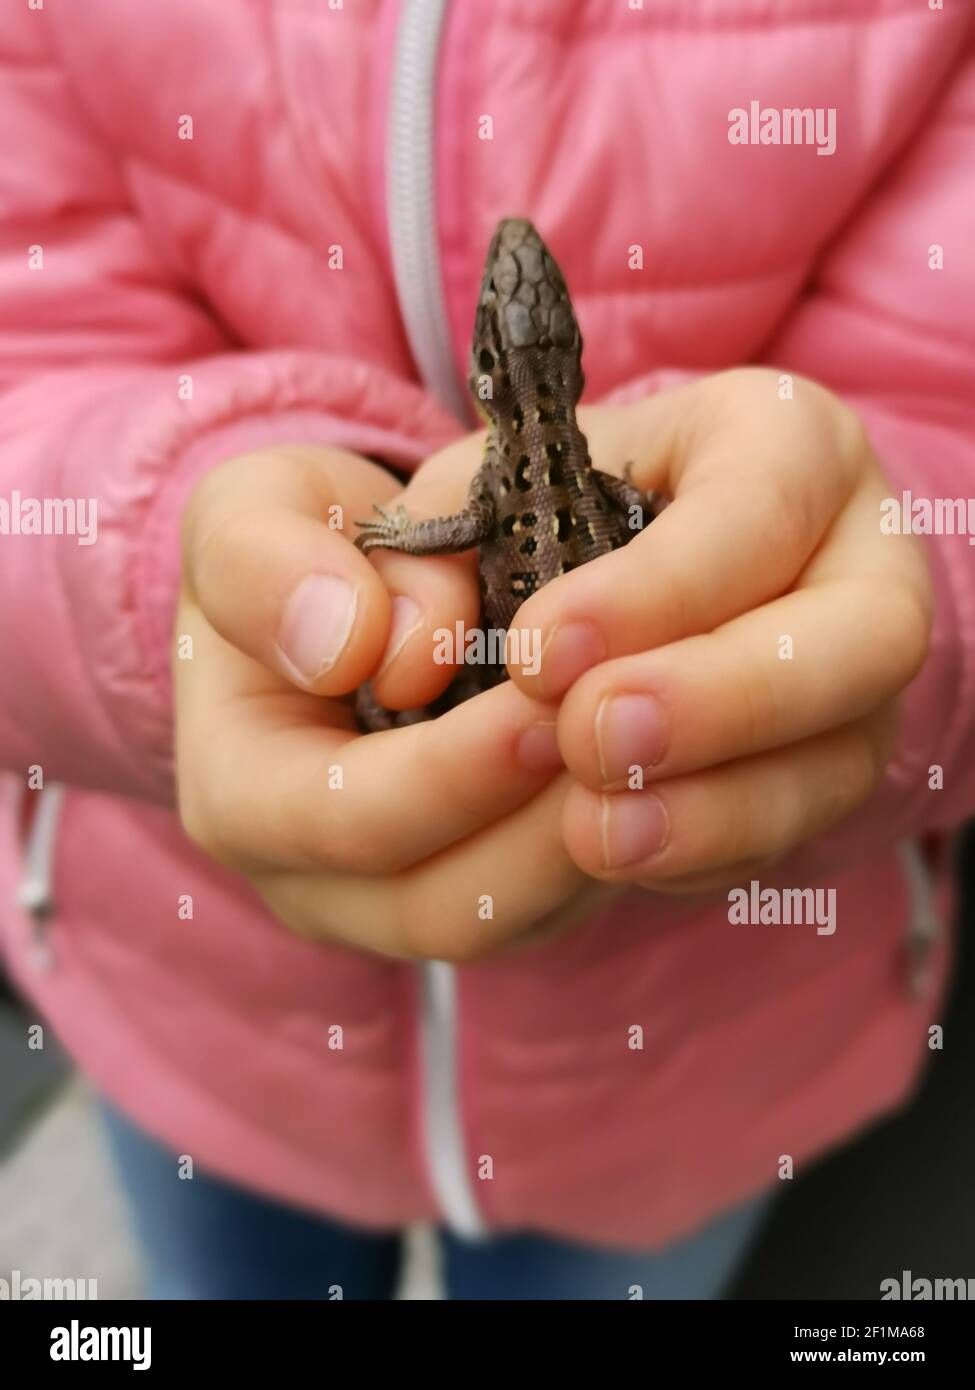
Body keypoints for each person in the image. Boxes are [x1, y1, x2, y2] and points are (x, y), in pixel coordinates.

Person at [0, 0, 972, 1300]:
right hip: (211, 1037)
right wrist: (170, 573)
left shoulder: (506, 478)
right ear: (560, 363)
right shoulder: (582, 469)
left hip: (688, 1072)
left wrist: (851, 585)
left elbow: (461, 516)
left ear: (512, 364)